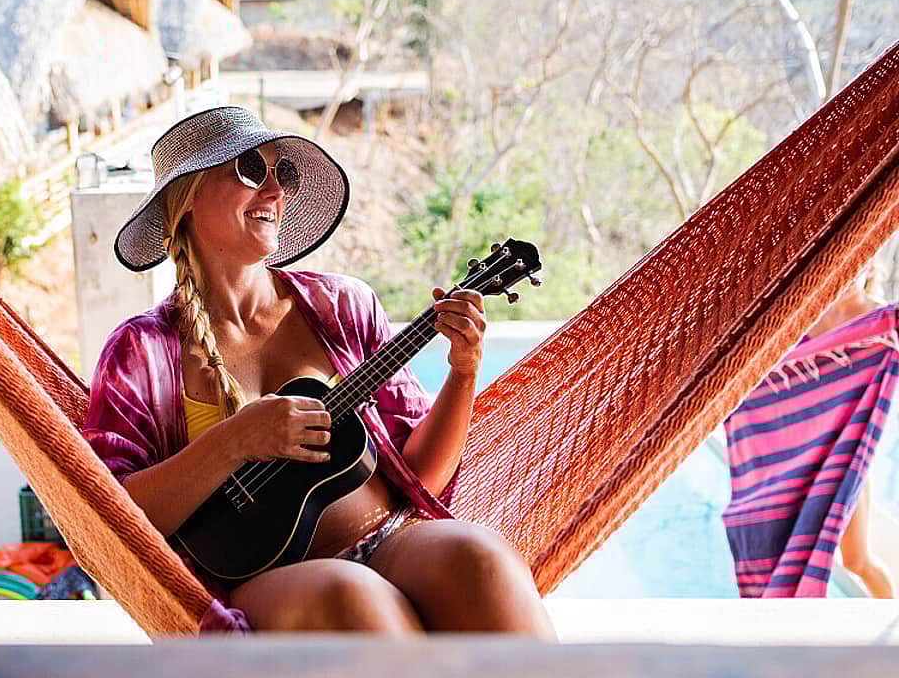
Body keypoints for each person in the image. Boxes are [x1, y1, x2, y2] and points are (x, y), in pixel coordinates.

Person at [83, 106, 555, 636]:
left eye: (280, 173)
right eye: (248, 171)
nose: (274, 191)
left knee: (483, 559)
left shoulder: (341, 306)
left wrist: (464, 372)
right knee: (351, 597)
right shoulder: (141, 352)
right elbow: (109, 515)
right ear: (187, 197)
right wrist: (235, 440)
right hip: (267, 578)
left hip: (389, 534)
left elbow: (423, 477)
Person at [801, 267, 895, 599]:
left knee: (856, 560)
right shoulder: (806, 315)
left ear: (870, 266)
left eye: (862, 261)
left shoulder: (880, 316)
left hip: (851, 455)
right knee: (796, 562)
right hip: (803, 452)